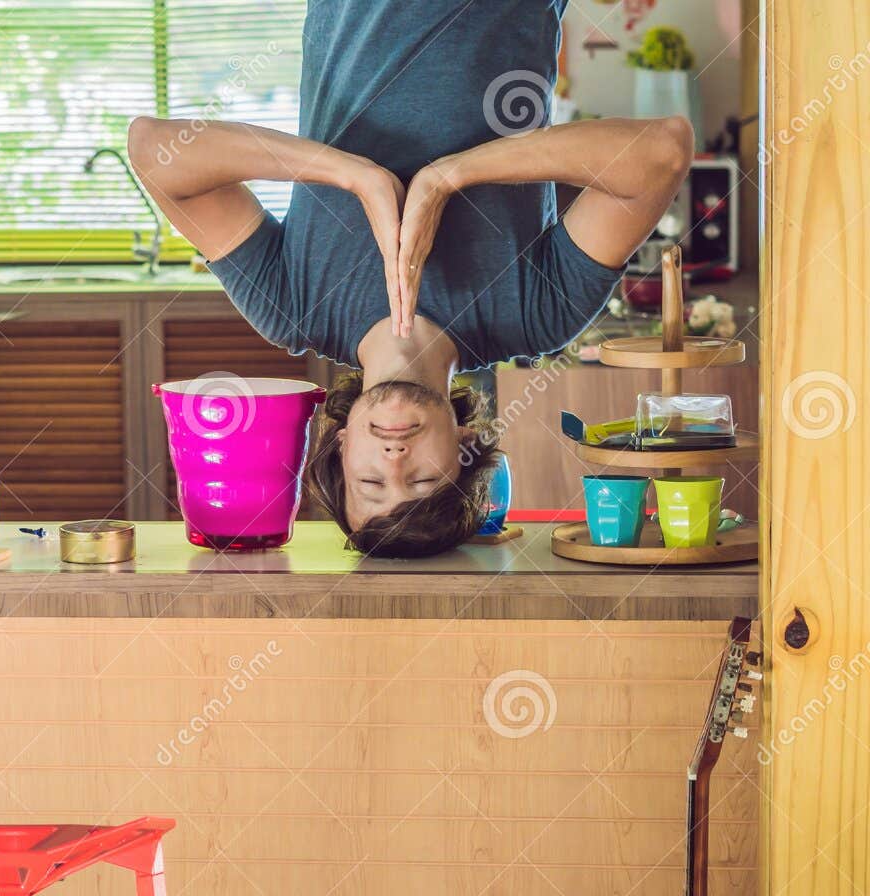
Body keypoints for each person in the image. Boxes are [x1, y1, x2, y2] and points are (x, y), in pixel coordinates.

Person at [128, 0, 693, 556]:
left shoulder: (293, 306)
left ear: (342, 447)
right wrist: (449, 176)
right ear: (468, 448)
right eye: (423, 482)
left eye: (370, 483)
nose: (394, 462)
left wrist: (352, 175)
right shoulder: (537, 317)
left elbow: (153, 150)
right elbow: (662, 152)